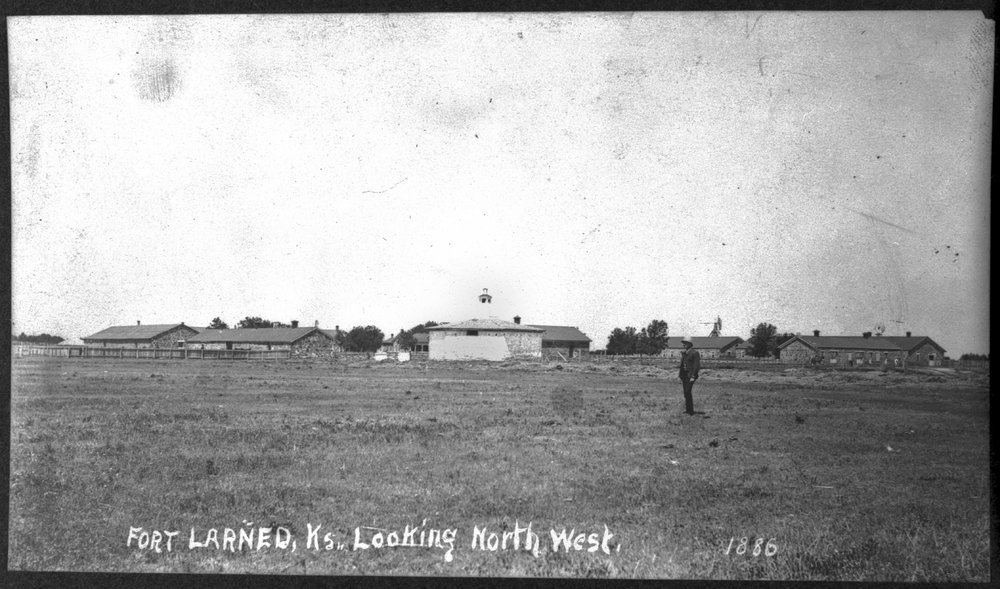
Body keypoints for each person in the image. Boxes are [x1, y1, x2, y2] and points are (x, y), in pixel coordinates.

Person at [679, 337, 701, 415]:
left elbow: (696, 366)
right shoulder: (684, 353)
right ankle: (688, 410)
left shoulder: (694, 353)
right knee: (686, 393)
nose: (683, 345)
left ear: (689, 344)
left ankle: (691, 411)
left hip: (690, 375)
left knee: (688, 391)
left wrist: (693, 376)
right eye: (683, 343)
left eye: (685, 343)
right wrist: (681, 375)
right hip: (684, 375)